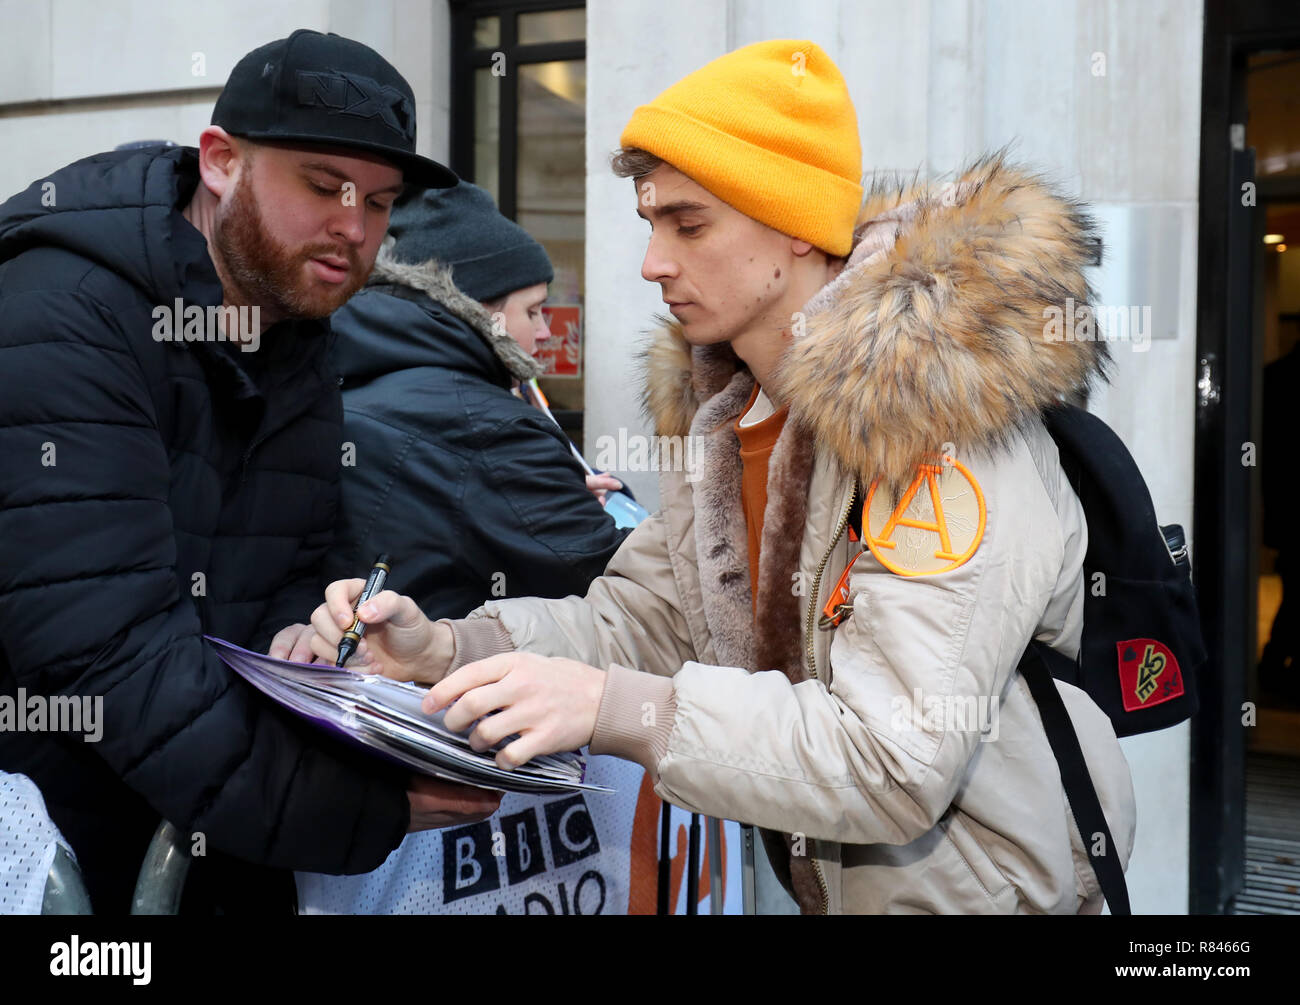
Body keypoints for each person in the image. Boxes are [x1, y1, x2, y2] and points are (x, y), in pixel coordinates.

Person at [307, 39, 1137, 914]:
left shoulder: (940, 423)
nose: (652, 262)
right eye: (650, 222)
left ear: (795, 226)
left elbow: (896, 760)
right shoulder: (734, 419)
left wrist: (610, 707)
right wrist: (447, 647)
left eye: (689, 224)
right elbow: (641, 619)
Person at [0, 28, 497, 914]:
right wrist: (354, 809)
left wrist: (305, 636)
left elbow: (295, 561)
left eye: (380, 202)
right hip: (64, 855)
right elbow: (107, 655)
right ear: (222, 162)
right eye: (323, 186)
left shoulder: (291, 320)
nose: (356, 228)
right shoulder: (62, 312)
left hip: (202, 830)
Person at [322, 180, 631, 624]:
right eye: (532, 311)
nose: (544, 332)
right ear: (481, 310)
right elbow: (613, 578)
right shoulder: (491, 428)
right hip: (442, 680)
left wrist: (553, 493)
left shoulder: (346, 376)